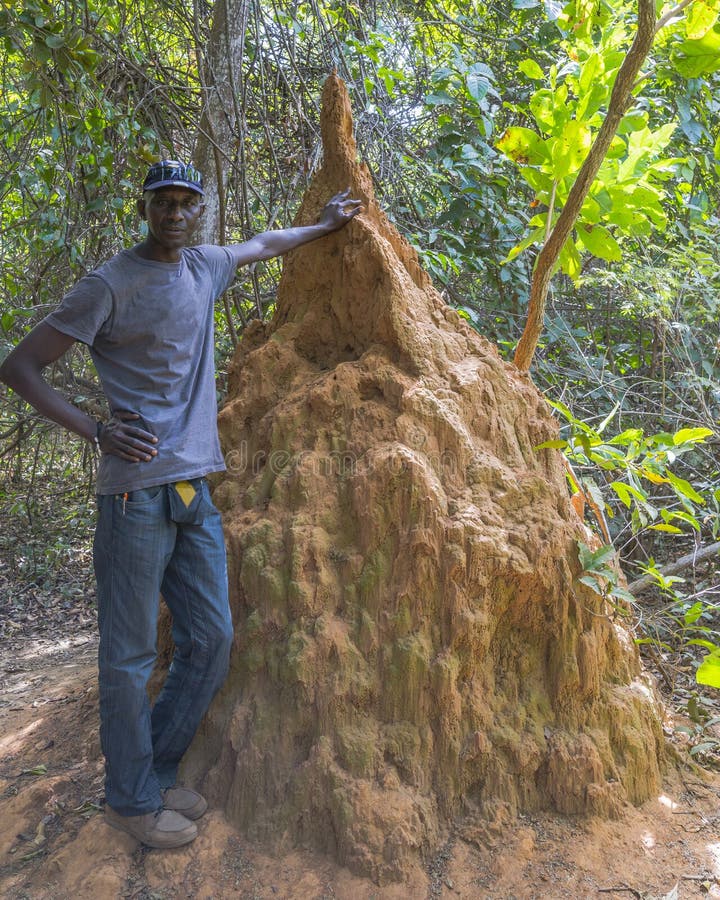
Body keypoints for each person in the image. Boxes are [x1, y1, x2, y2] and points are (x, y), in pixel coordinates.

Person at [0, 160, 362, 849]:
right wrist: (96, 430)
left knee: (212, 638)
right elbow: (19, 366)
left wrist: (322, 225)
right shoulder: (110, 284)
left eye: (185, 203)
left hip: (194, 489)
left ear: (200, 211)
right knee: (129, 656)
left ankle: (157, 771)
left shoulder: (204, 267)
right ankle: (129, 801)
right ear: (145, 208)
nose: (174, 213)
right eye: (162, 202)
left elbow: (263, 244)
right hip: (133, 494)